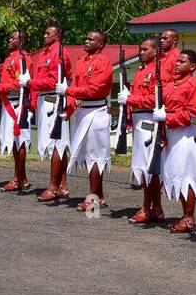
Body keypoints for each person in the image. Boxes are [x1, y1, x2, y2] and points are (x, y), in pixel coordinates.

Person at [61, 29, 113, 211]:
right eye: (86, 37)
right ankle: (99, 196)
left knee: (96, 157)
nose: (86, 40)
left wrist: (68, 91)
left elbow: (94, 89)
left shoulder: (103, 62)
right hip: (83, 111)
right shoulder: (82, 62)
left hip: (96, 111)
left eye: (91, 39)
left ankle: (93, 199)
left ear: (100, 44)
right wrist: (68, 107)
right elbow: (76, 84)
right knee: (88, 156)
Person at [159, 49, 196, 233]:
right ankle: (185, 215)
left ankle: (189, 218)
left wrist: (167, 118)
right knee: (177, 174)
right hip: (172, 133)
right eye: (177, 61)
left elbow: (191, 114)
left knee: (187, 176)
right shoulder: (172, 83)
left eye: (182, 62)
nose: (177, 64)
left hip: (186, 134)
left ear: (192, 66)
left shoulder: (194, 85)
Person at [31, 25, 74, 203]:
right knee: (56, 143)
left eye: (48, 33)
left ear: (57, 35)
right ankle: (62, 184)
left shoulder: (60, 53)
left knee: (57, 143)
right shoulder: (44, 54)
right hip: (43, 98)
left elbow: (53, 80)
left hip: (54, 99)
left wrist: (31, 83)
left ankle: (53, 187)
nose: (44, 35)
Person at [124, 36, 164, 224]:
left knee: (148, 166)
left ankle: (146, 208)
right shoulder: (141, 71)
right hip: (140, 119)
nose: (141, 52)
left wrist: (130, 100)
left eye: (145, 49)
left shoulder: (159, 70)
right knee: (145, 165)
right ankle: (156, 208)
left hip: (149, 119)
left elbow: (155, 100)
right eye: (140, 49)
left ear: (156, 51)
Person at [0, 30, 32, 192]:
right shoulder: (11, 58)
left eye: (13, 38)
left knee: (19, 141)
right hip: (9, 102)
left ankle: (18, 179)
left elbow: (20, 84)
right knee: (15, 142)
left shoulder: (23, 59)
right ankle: (21, 178)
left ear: (22, 41)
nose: (9, 40)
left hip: (17, 103)